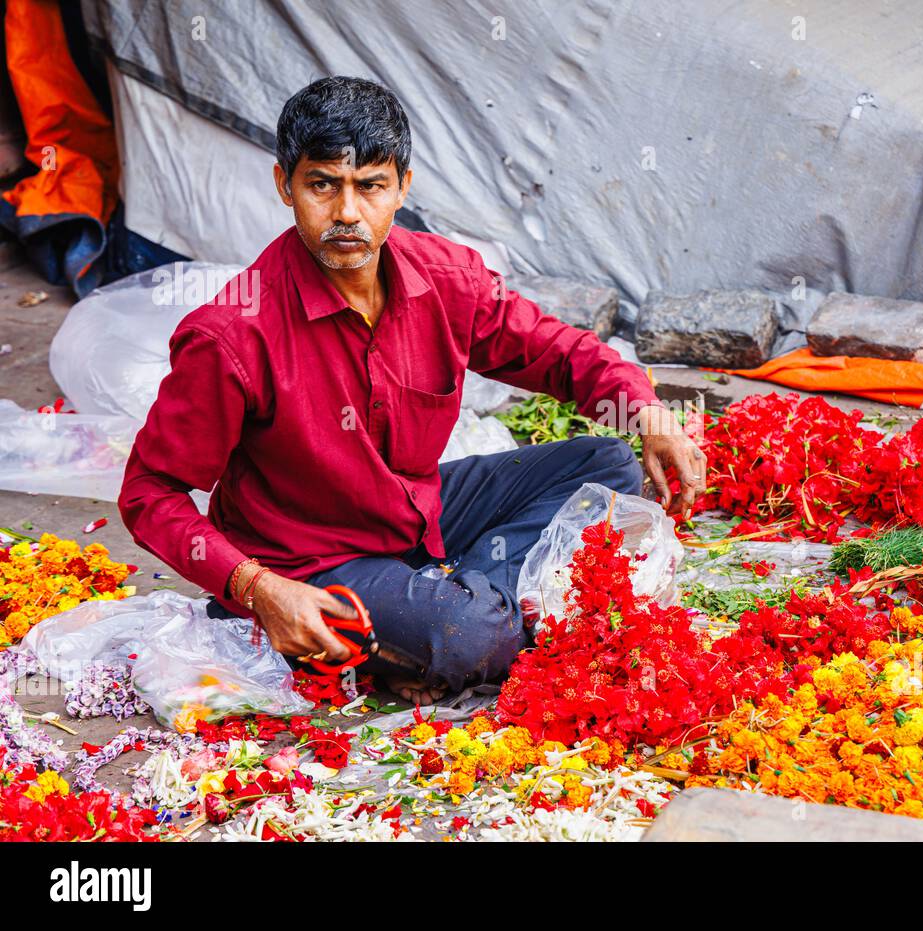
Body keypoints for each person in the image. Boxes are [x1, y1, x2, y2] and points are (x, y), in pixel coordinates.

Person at [119, 76, 707, 705]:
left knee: (606, 463)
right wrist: (258, 589)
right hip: (310, 560)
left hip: (416, 516)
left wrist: (647, 410)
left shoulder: (447, 277)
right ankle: (456, 617)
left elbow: (555, 352)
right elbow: (150, 493)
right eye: (322, 185)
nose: (347, 214)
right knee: (468, 632)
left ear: (402, 186)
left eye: (369, 186)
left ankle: (451, 607)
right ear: (284, 184)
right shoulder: (232, 335)